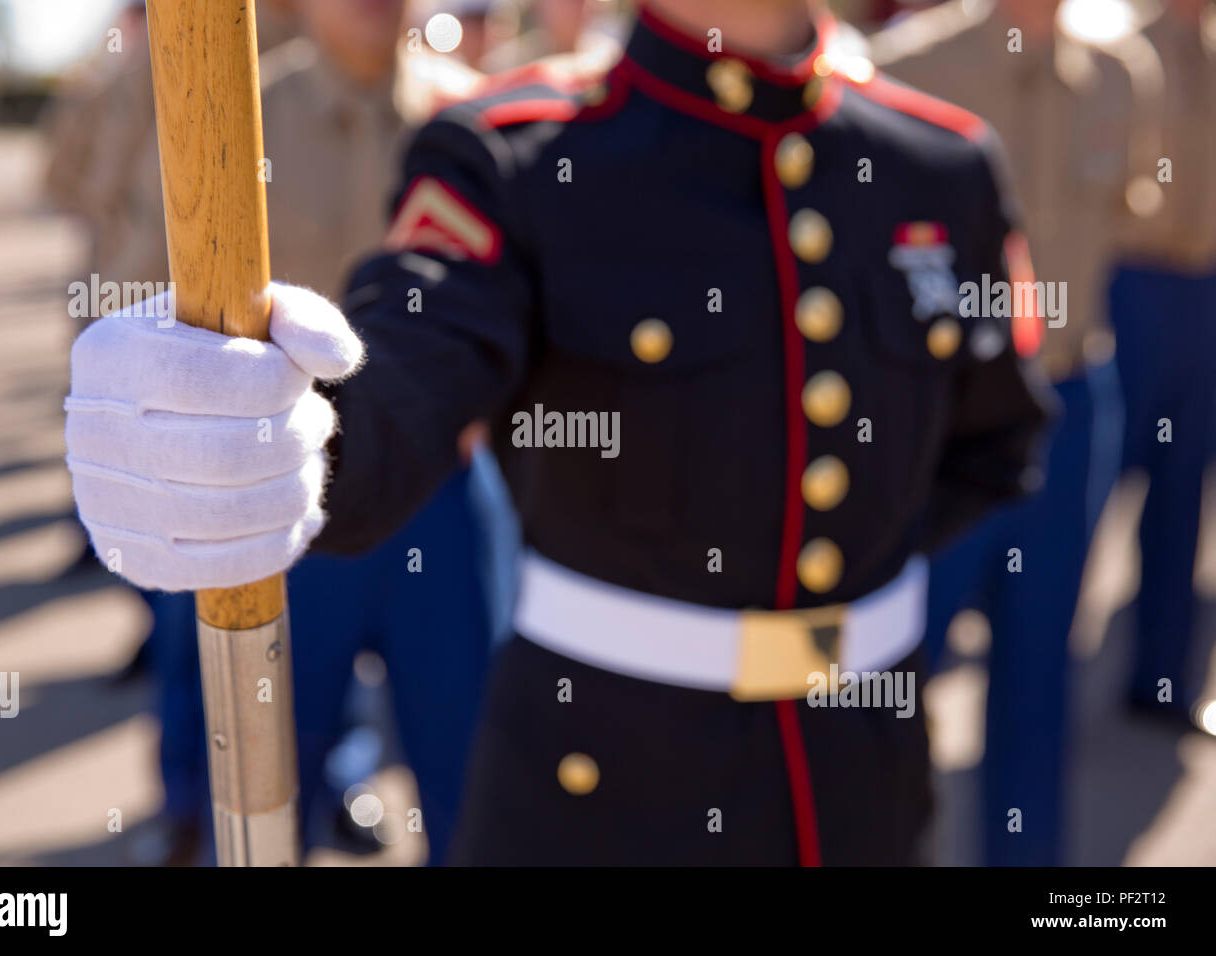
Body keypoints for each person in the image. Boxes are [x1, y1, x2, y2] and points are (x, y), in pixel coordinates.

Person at [64, 0, 1054, 864]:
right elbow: (414, 356)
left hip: (862, 778)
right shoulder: (519, 151)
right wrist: (286, 430)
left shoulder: (943, 163)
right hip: (601, 783)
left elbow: (995, 438)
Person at [118, 0, 504, 865]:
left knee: (472, 773)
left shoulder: (476, 117)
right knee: (260, 786)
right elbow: (146, 300)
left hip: (442, 488)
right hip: (275, 489)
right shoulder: (218, 118)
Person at [871, 0, 1163, 865]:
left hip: (1073, 397)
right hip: (940, 418)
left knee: (1041, 671)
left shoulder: (1118, 76)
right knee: (888, 677)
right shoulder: (910, 71)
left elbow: (1132, 209)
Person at [1110, 0, 1216, 731]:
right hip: (1131, 284)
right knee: (1090, 484)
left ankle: (1163, 678)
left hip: (1203, 292)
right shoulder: (1118, 55)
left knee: (1184, 494)